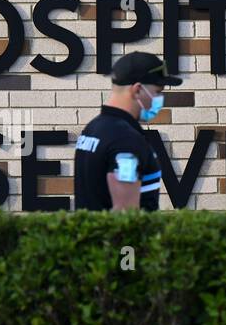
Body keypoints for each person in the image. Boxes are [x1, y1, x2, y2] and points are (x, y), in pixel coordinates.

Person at [73, 52, 181, 211]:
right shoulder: (126, 140)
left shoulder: (94, 128)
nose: (160, 98)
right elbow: (125, 216)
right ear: (137, 90)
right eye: (158, 91)